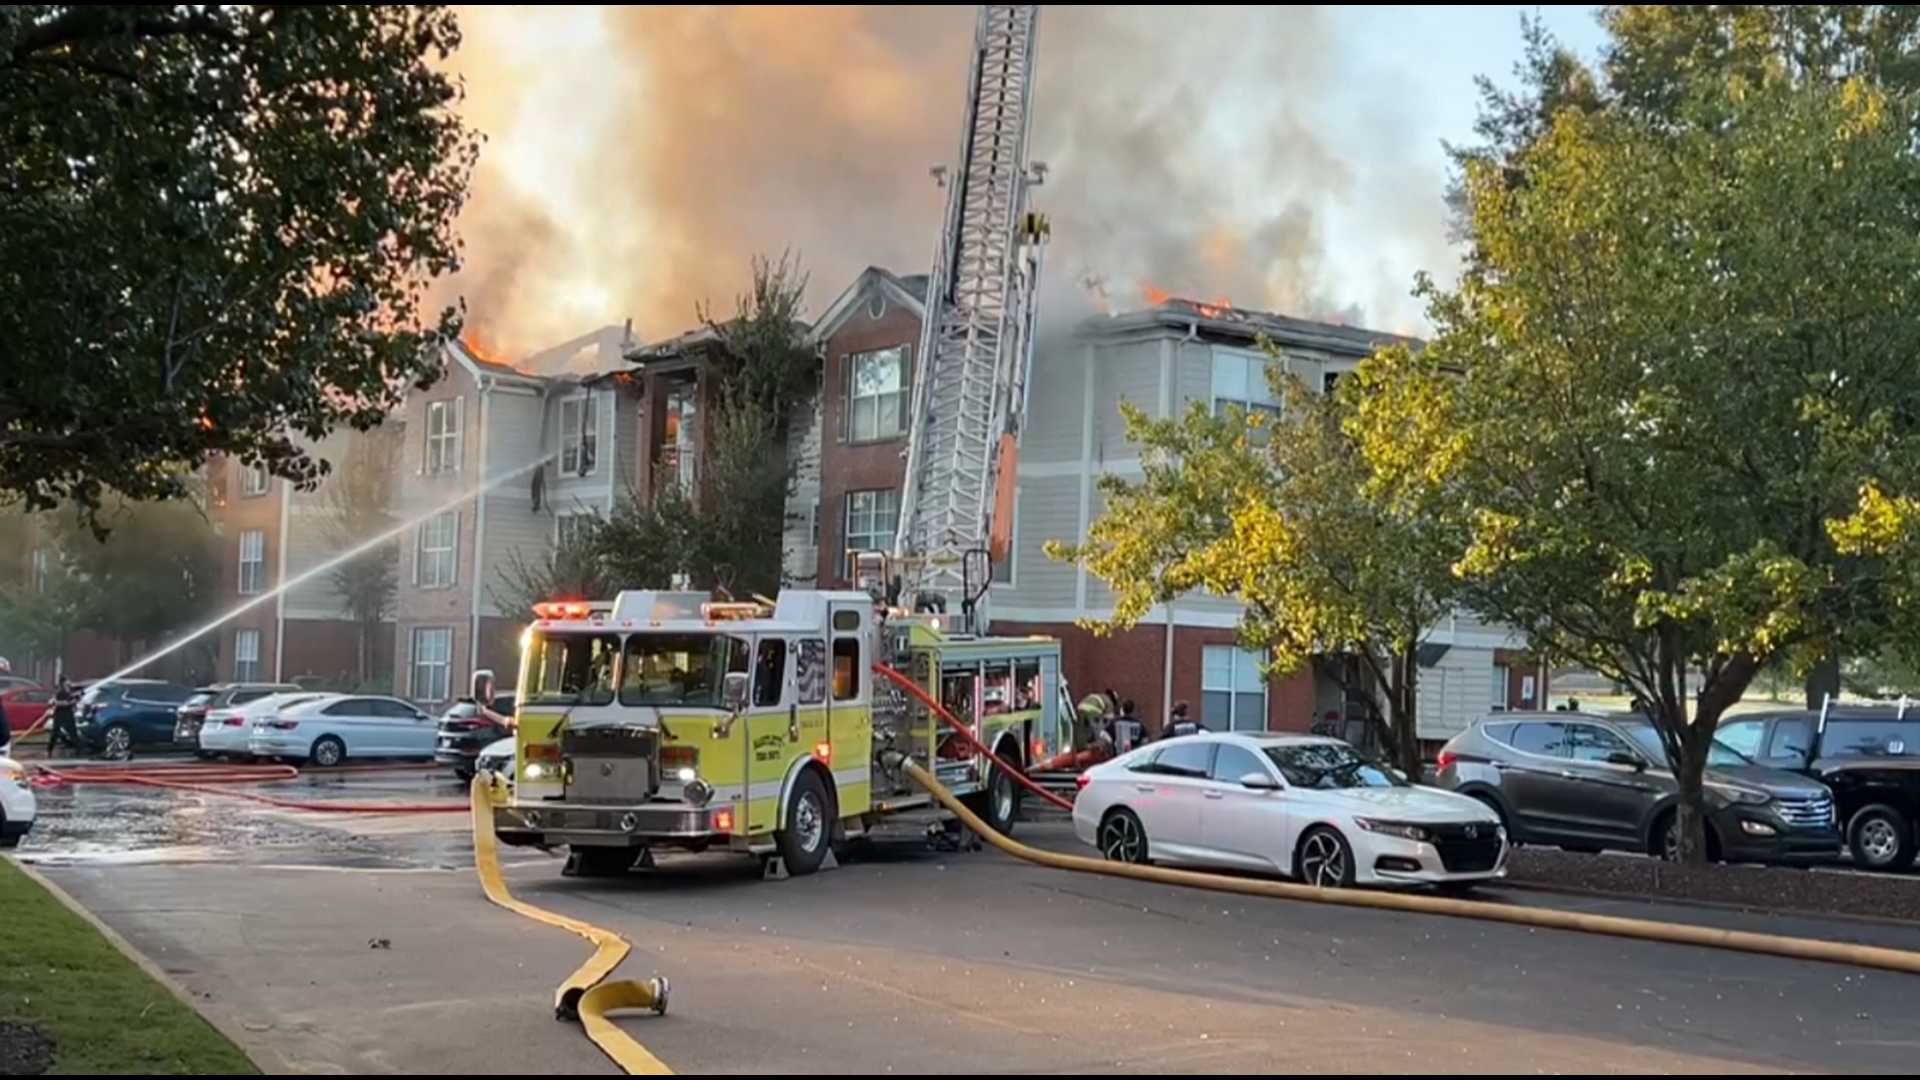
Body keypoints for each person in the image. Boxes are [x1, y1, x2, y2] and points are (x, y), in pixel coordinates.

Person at [50, 676, 80, 756]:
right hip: (60, 714)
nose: (70, 682)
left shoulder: (70, 691)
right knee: (55, 732)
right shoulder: (60, 692)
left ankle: (78, 749)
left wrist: (76, 699)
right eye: (67, 681)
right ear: (64, 683)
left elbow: (73, 698)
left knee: (73, 732)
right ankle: (50, 749)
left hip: (68, 714)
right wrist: (70, 702)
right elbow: (57, 702)